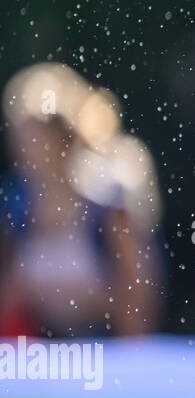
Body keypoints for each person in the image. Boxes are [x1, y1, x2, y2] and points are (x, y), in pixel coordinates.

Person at [0, 63, 163, 338]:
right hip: (38, 357)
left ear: (64, 137)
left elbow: (139, 298)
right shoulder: (15, 206)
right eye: (21, 140)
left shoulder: (108, 202)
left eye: (35, 140)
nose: (26, 151)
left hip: (105, 354)